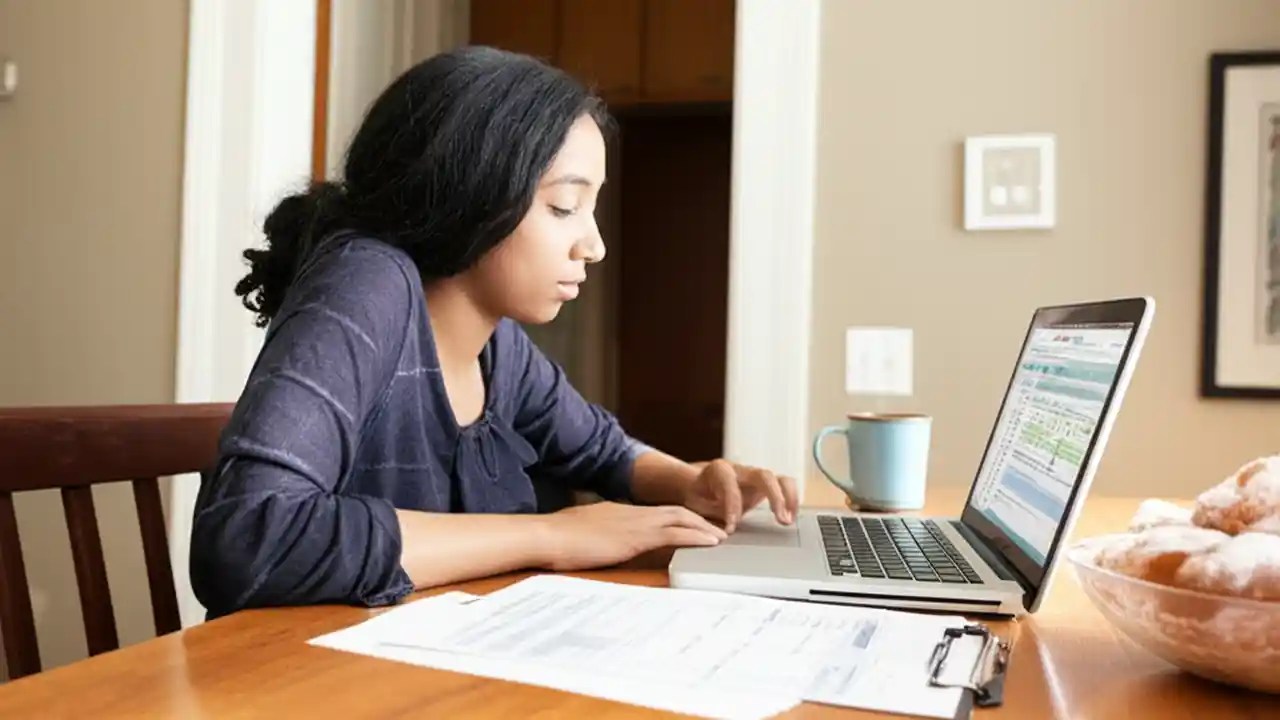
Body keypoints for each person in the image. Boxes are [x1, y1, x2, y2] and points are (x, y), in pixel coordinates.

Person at [189, 46, 798, 619]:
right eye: (564, 207)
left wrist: (693, 480)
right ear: (473, 196)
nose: (594, 245)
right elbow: (248, 537)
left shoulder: (495, 346)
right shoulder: (367, 284)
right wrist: (551, 536)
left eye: (592, 209)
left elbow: (602, 450)